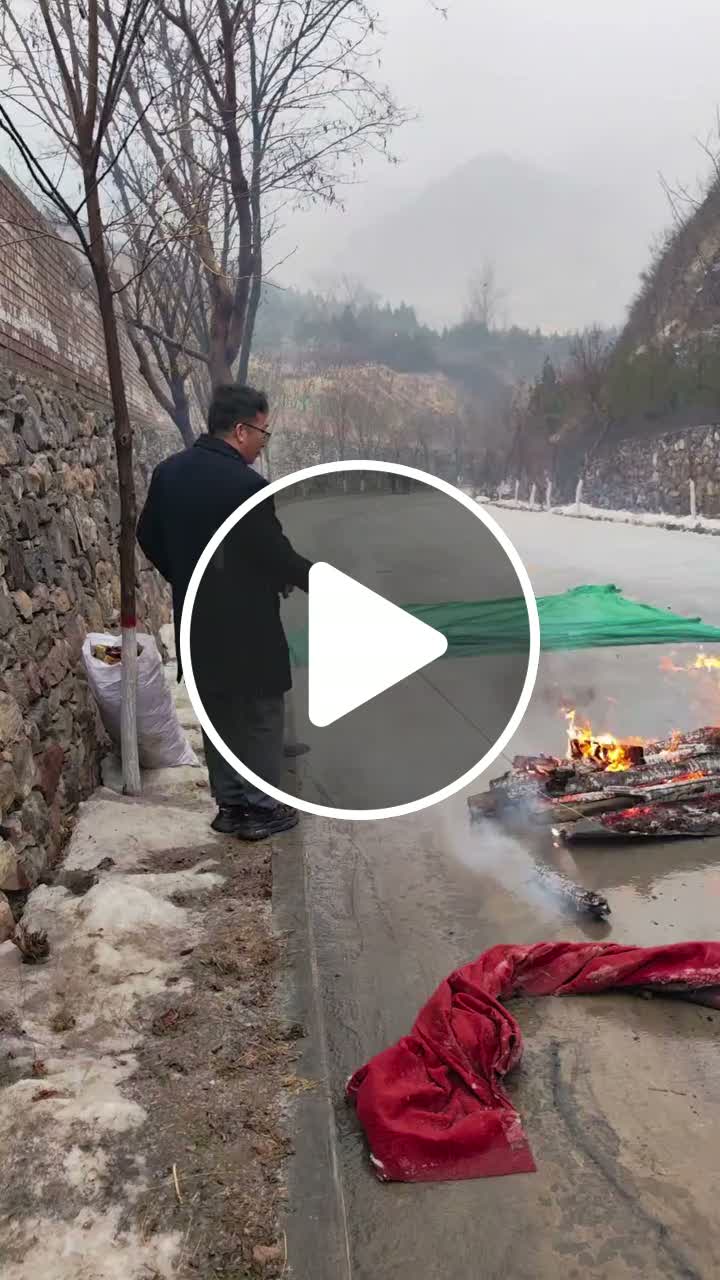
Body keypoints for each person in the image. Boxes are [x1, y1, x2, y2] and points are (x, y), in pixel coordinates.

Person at [137, 383, 311, 841]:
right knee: (259, 712)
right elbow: (275, 555)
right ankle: (261, 808)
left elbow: (147, 536)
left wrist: (189, 577)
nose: (263, 442)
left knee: (216, 712)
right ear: (240, 429)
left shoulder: (167, 473)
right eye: (263, 432)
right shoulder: (246, 486)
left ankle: (230, 807)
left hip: (195, 619)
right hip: (248, 623)